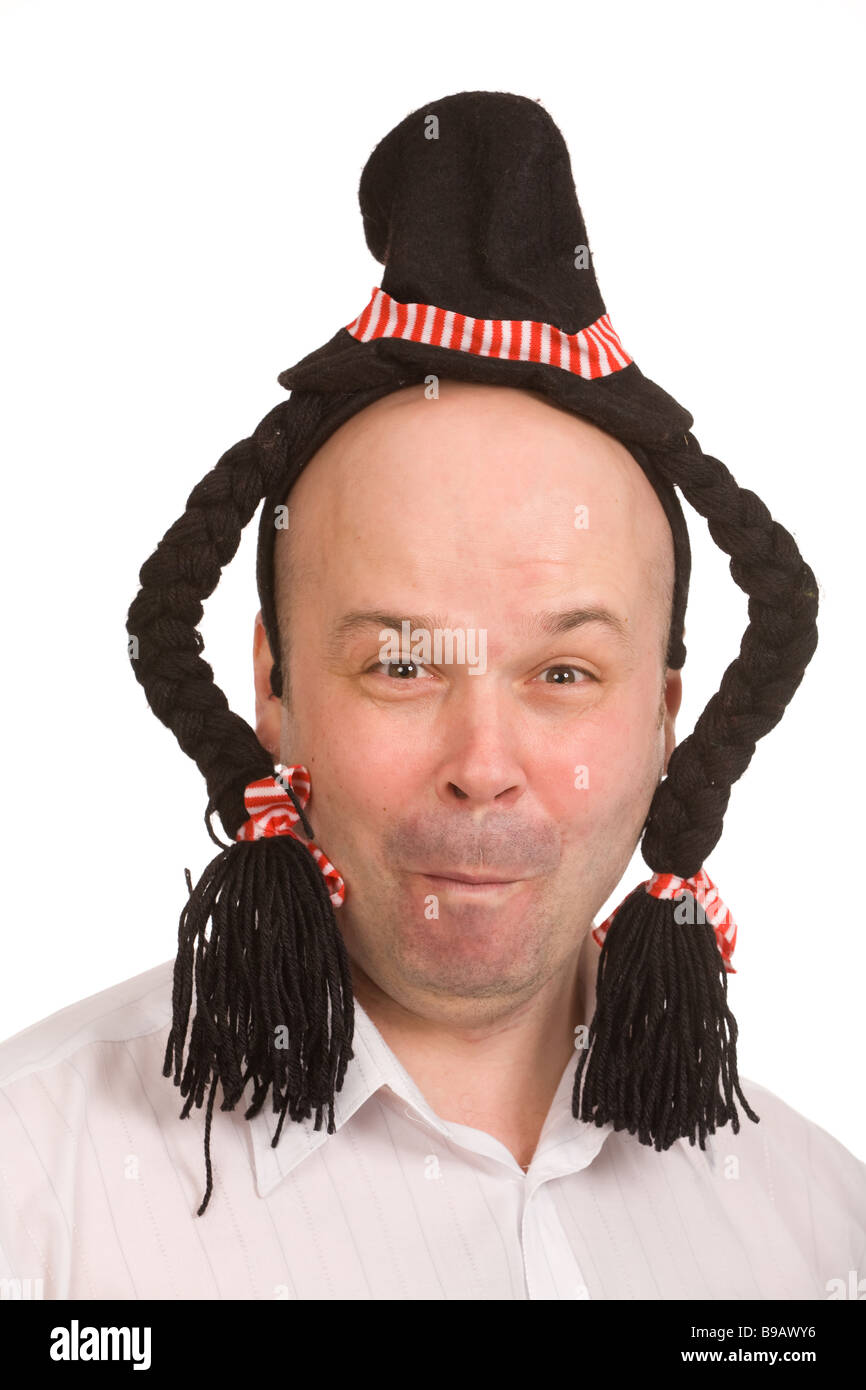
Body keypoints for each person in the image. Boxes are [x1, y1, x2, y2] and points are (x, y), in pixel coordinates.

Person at [1, 90, 863, 1302]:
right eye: (400, 664)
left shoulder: (822, 1233)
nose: (482, 760)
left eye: (563, 672)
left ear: (665, 717)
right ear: (276, 692)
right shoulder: (30, 1193)